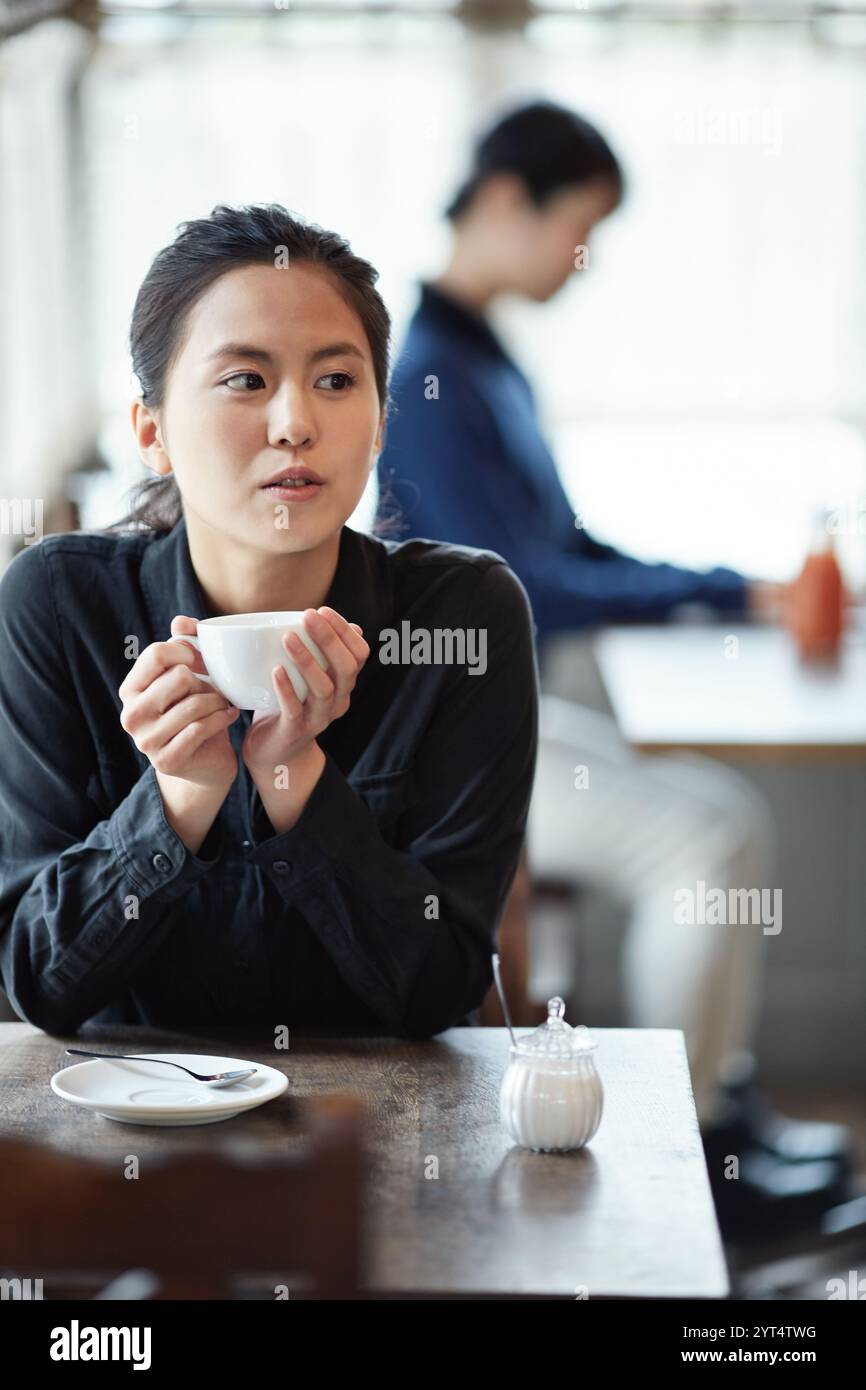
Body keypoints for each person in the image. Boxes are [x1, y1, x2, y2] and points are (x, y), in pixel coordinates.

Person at [376, 101, 851, 1236]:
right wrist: (732, 594)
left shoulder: (478, 359)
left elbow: (566, 548)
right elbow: (527, 583)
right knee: (705, 833)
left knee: (709, 811)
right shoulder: (430, 375)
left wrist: (736, 586)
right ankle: (689, 1160)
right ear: (503, 203)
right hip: (440, 745)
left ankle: (715, 1117)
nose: (583, 263)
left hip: (488, 715)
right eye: (577, 231)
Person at [0, 203, 537, 1039]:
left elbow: (442, 990)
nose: (296, 423)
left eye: (335, 380)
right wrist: (180, 795)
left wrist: (294, 780)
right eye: (245, 380)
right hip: (123, 1139)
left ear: (380, 424)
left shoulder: (464, 617)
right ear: (152, 431)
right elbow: (40, 982)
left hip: (380, 1142)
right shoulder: (59, 605)